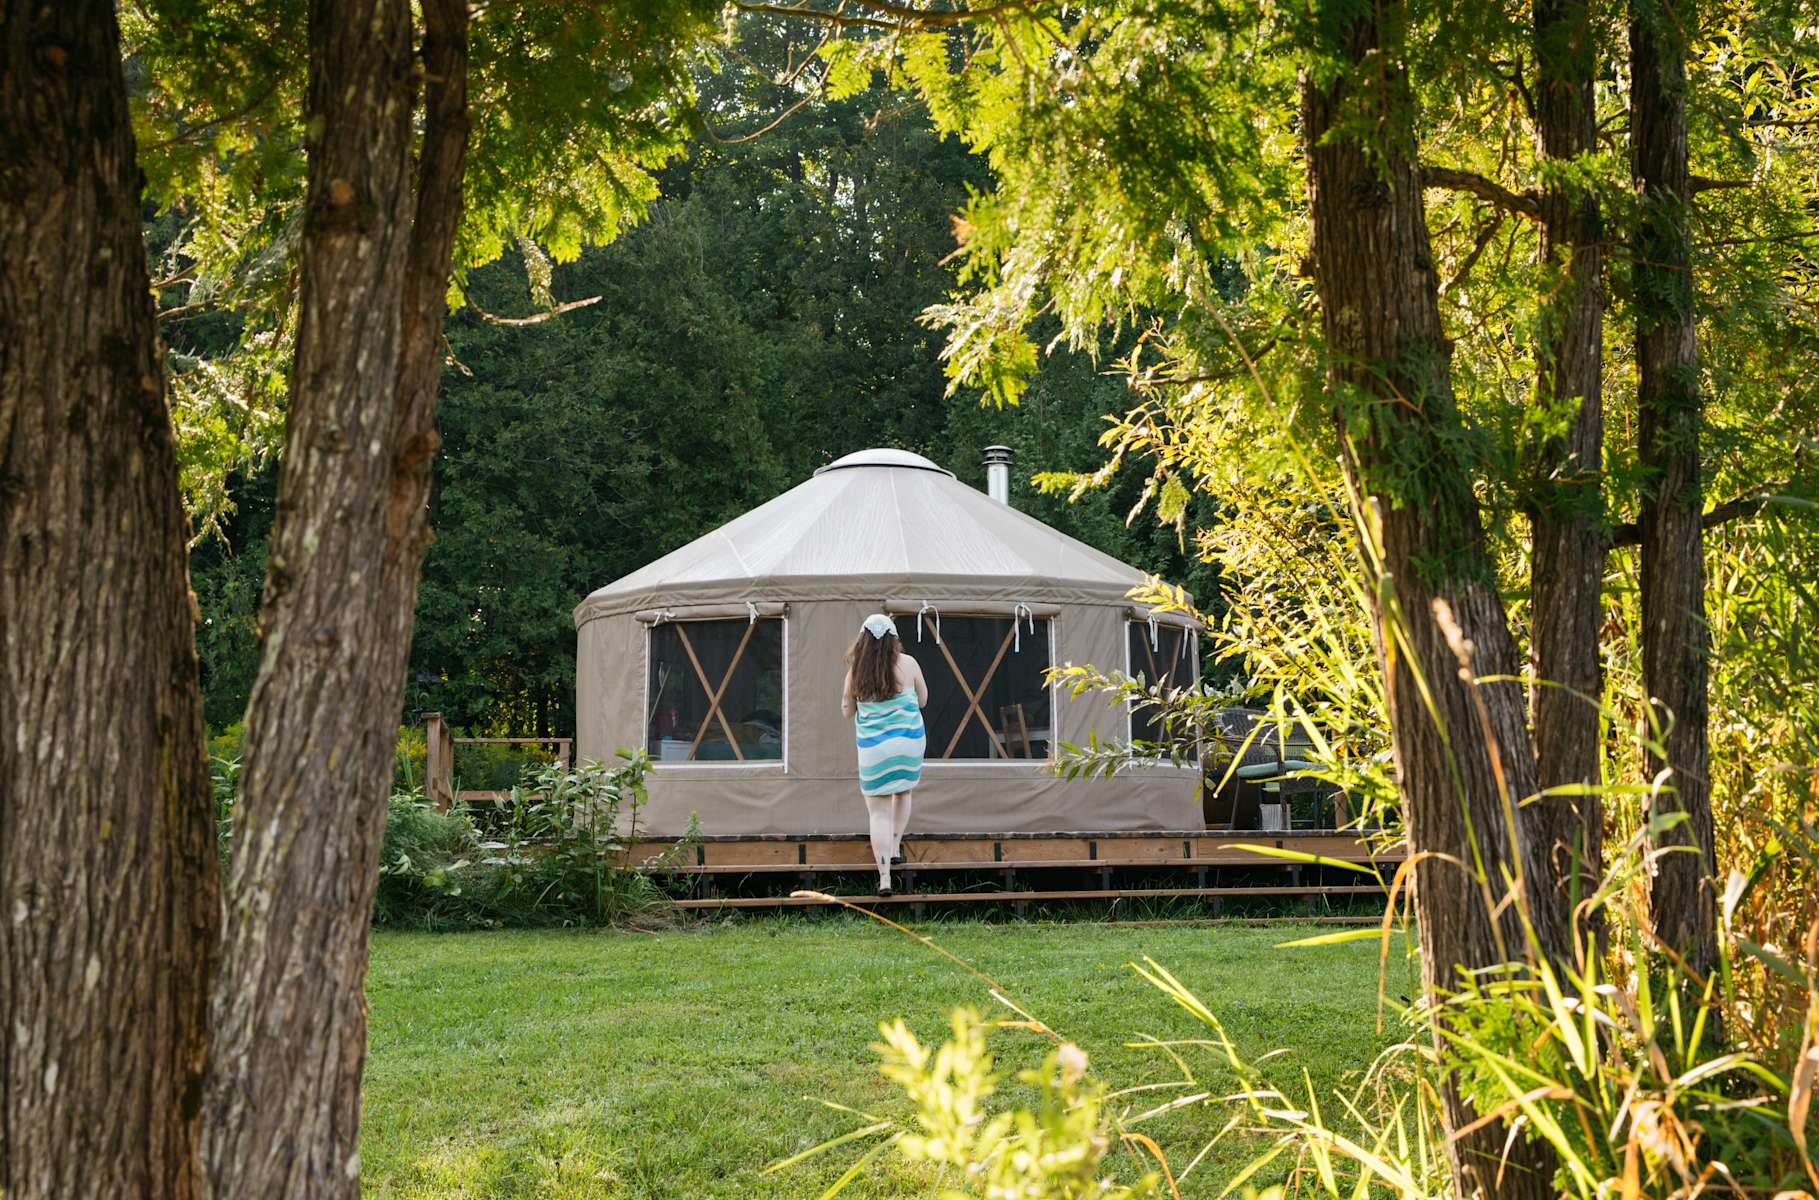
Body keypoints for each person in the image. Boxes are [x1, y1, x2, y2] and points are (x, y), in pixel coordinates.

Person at [842, 613, 928, 896]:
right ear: (894, 640)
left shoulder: (855, 672)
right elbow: (923, 700)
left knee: (877, 811)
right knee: (903, 792)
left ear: (862, 641)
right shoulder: (909, 663)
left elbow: (846, 712)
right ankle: (894, 847)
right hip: (908, 744)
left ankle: (885, 879)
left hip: (875, 749)